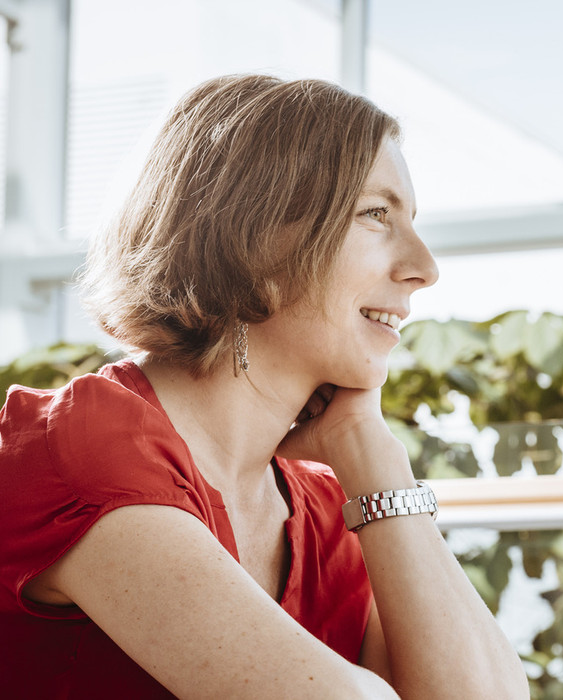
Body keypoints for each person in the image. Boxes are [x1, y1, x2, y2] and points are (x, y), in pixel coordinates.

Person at [0, 74, 528, 699]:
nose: (424, 268)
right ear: (253, 239)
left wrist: (374, 455)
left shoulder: (328, 507)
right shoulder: (84, 449)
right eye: (376, 215)